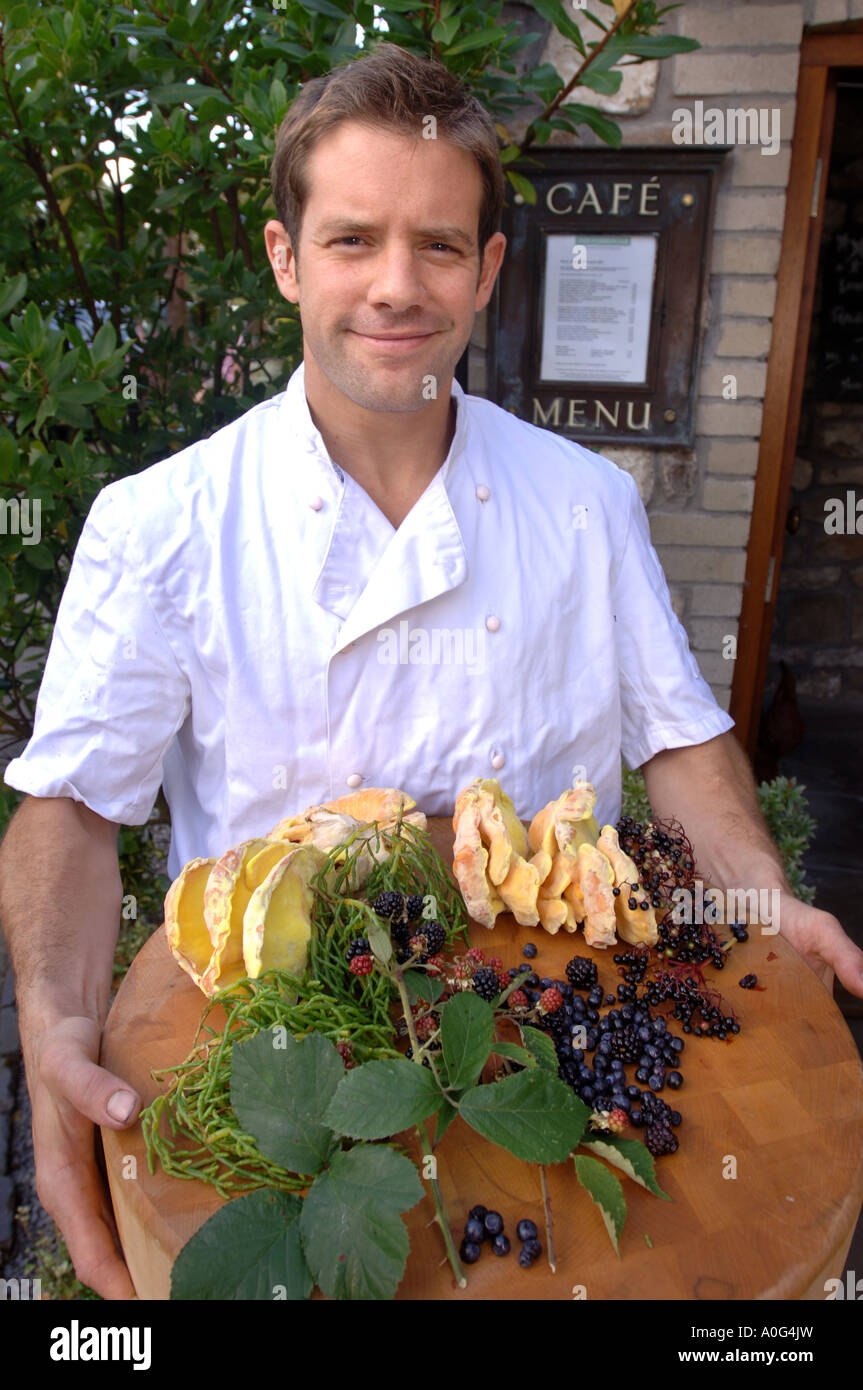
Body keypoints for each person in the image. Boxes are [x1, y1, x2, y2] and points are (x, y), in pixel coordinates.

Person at [1, 42, 861, 1303]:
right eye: (351, 240)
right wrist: (50, 1016)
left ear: (489, 271)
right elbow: (71, 810)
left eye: (440, 245)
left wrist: (751, 899)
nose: (395, 287)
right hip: (280, 1059)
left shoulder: (581, 506)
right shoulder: (160, 526)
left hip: (556, 1049)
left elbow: (676, 740)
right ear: (285, 257)